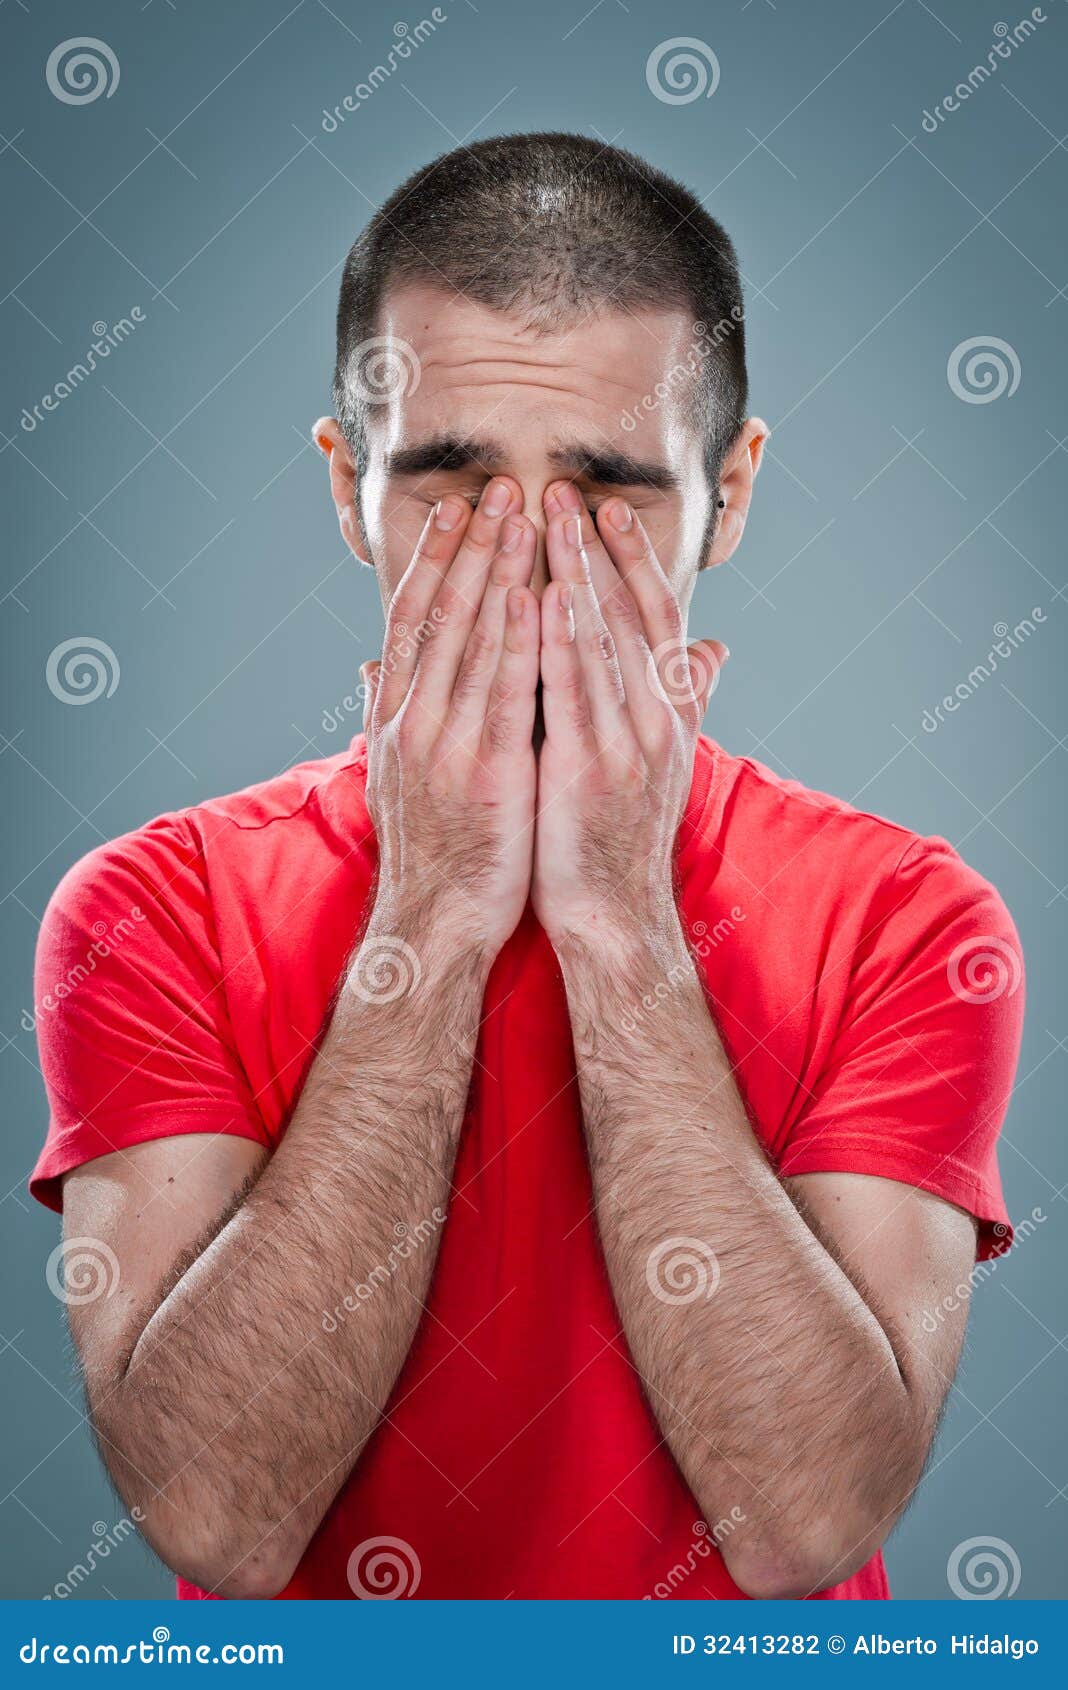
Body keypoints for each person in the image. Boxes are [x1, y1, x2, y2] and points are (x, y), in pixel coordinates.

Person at [31, 133, 1024, 1602]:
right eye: (453, 486)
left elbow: (807, 1524)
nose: (535, 562)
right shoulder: (149, 910)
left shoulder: (908, 922)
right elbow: (216, 1522)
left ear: (733, 492)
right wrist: (435, 911)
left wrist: (619, 920)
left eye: (610, 492)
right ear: (347, 487)